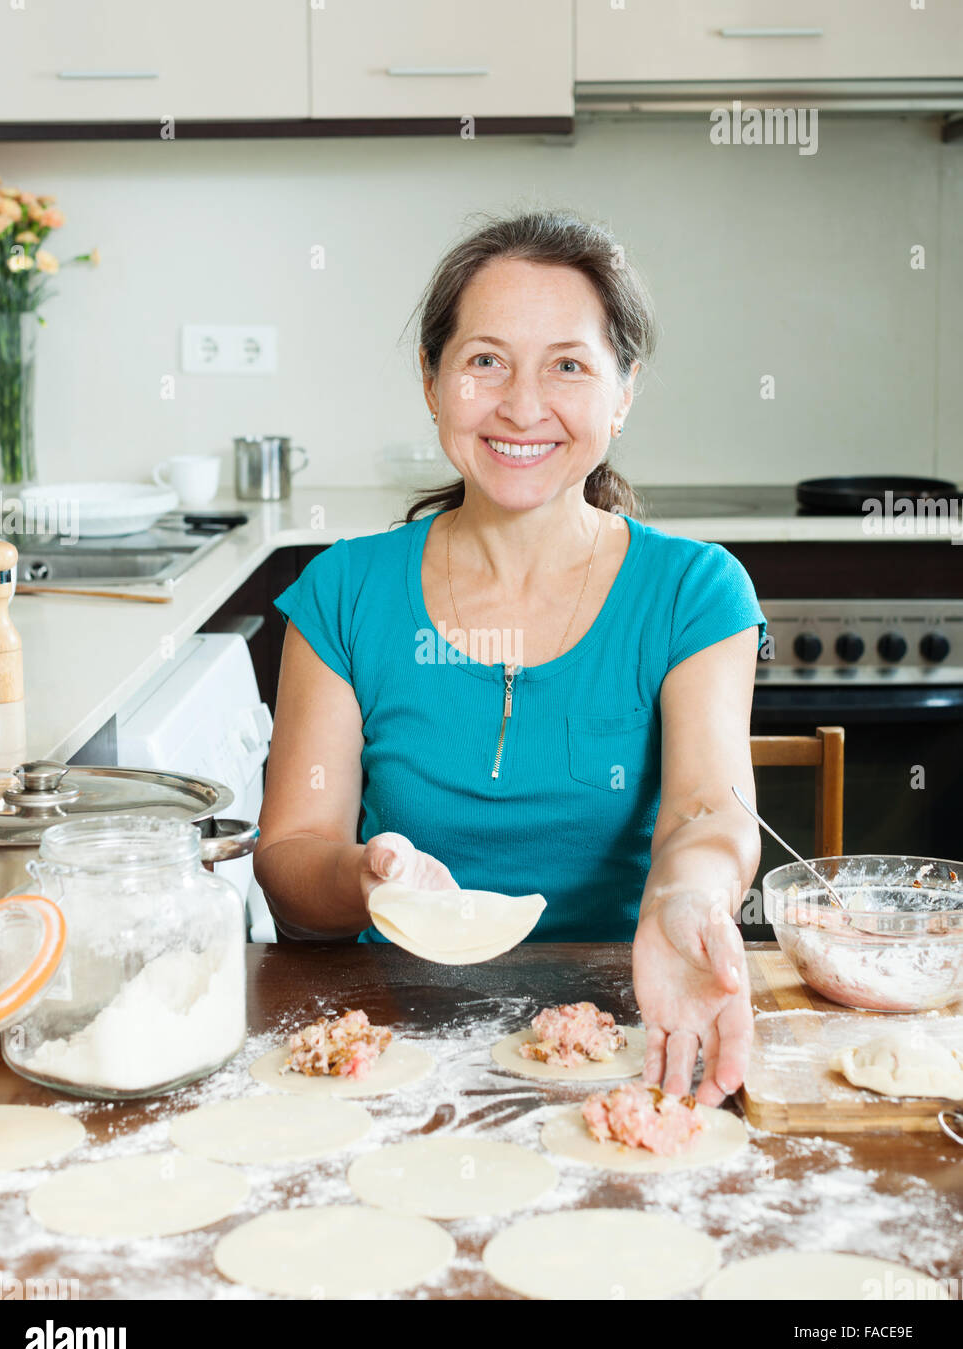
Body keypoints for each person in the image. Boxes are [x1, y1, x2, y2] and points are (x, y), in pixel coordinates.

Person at [255, 208, 768, 1106]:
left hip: (624, 1031)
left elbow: (705, 813)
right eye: (485, 360)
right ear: (433, 380)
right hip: (389, 1044)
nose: (523, 406)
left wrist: (688, 900)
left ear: (623, 391)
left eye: (568, 365)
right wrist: (368, 877)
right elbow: (294, 859)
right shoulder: (342, 590)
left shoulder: (693, 592)